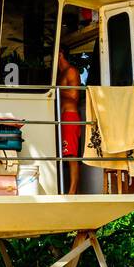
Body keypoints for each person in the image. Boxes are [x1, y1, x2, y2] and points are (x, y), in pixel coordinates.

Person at [57, 48, 83, 194]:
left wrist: (57, 90)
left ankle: (72, 190)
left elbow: (74, 95)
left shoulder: (71, 71)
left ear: (60, 53)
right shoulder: (61, 74)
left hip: (70, 115)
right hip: (63, 115)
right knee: (65, 153)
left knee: (71, 154)